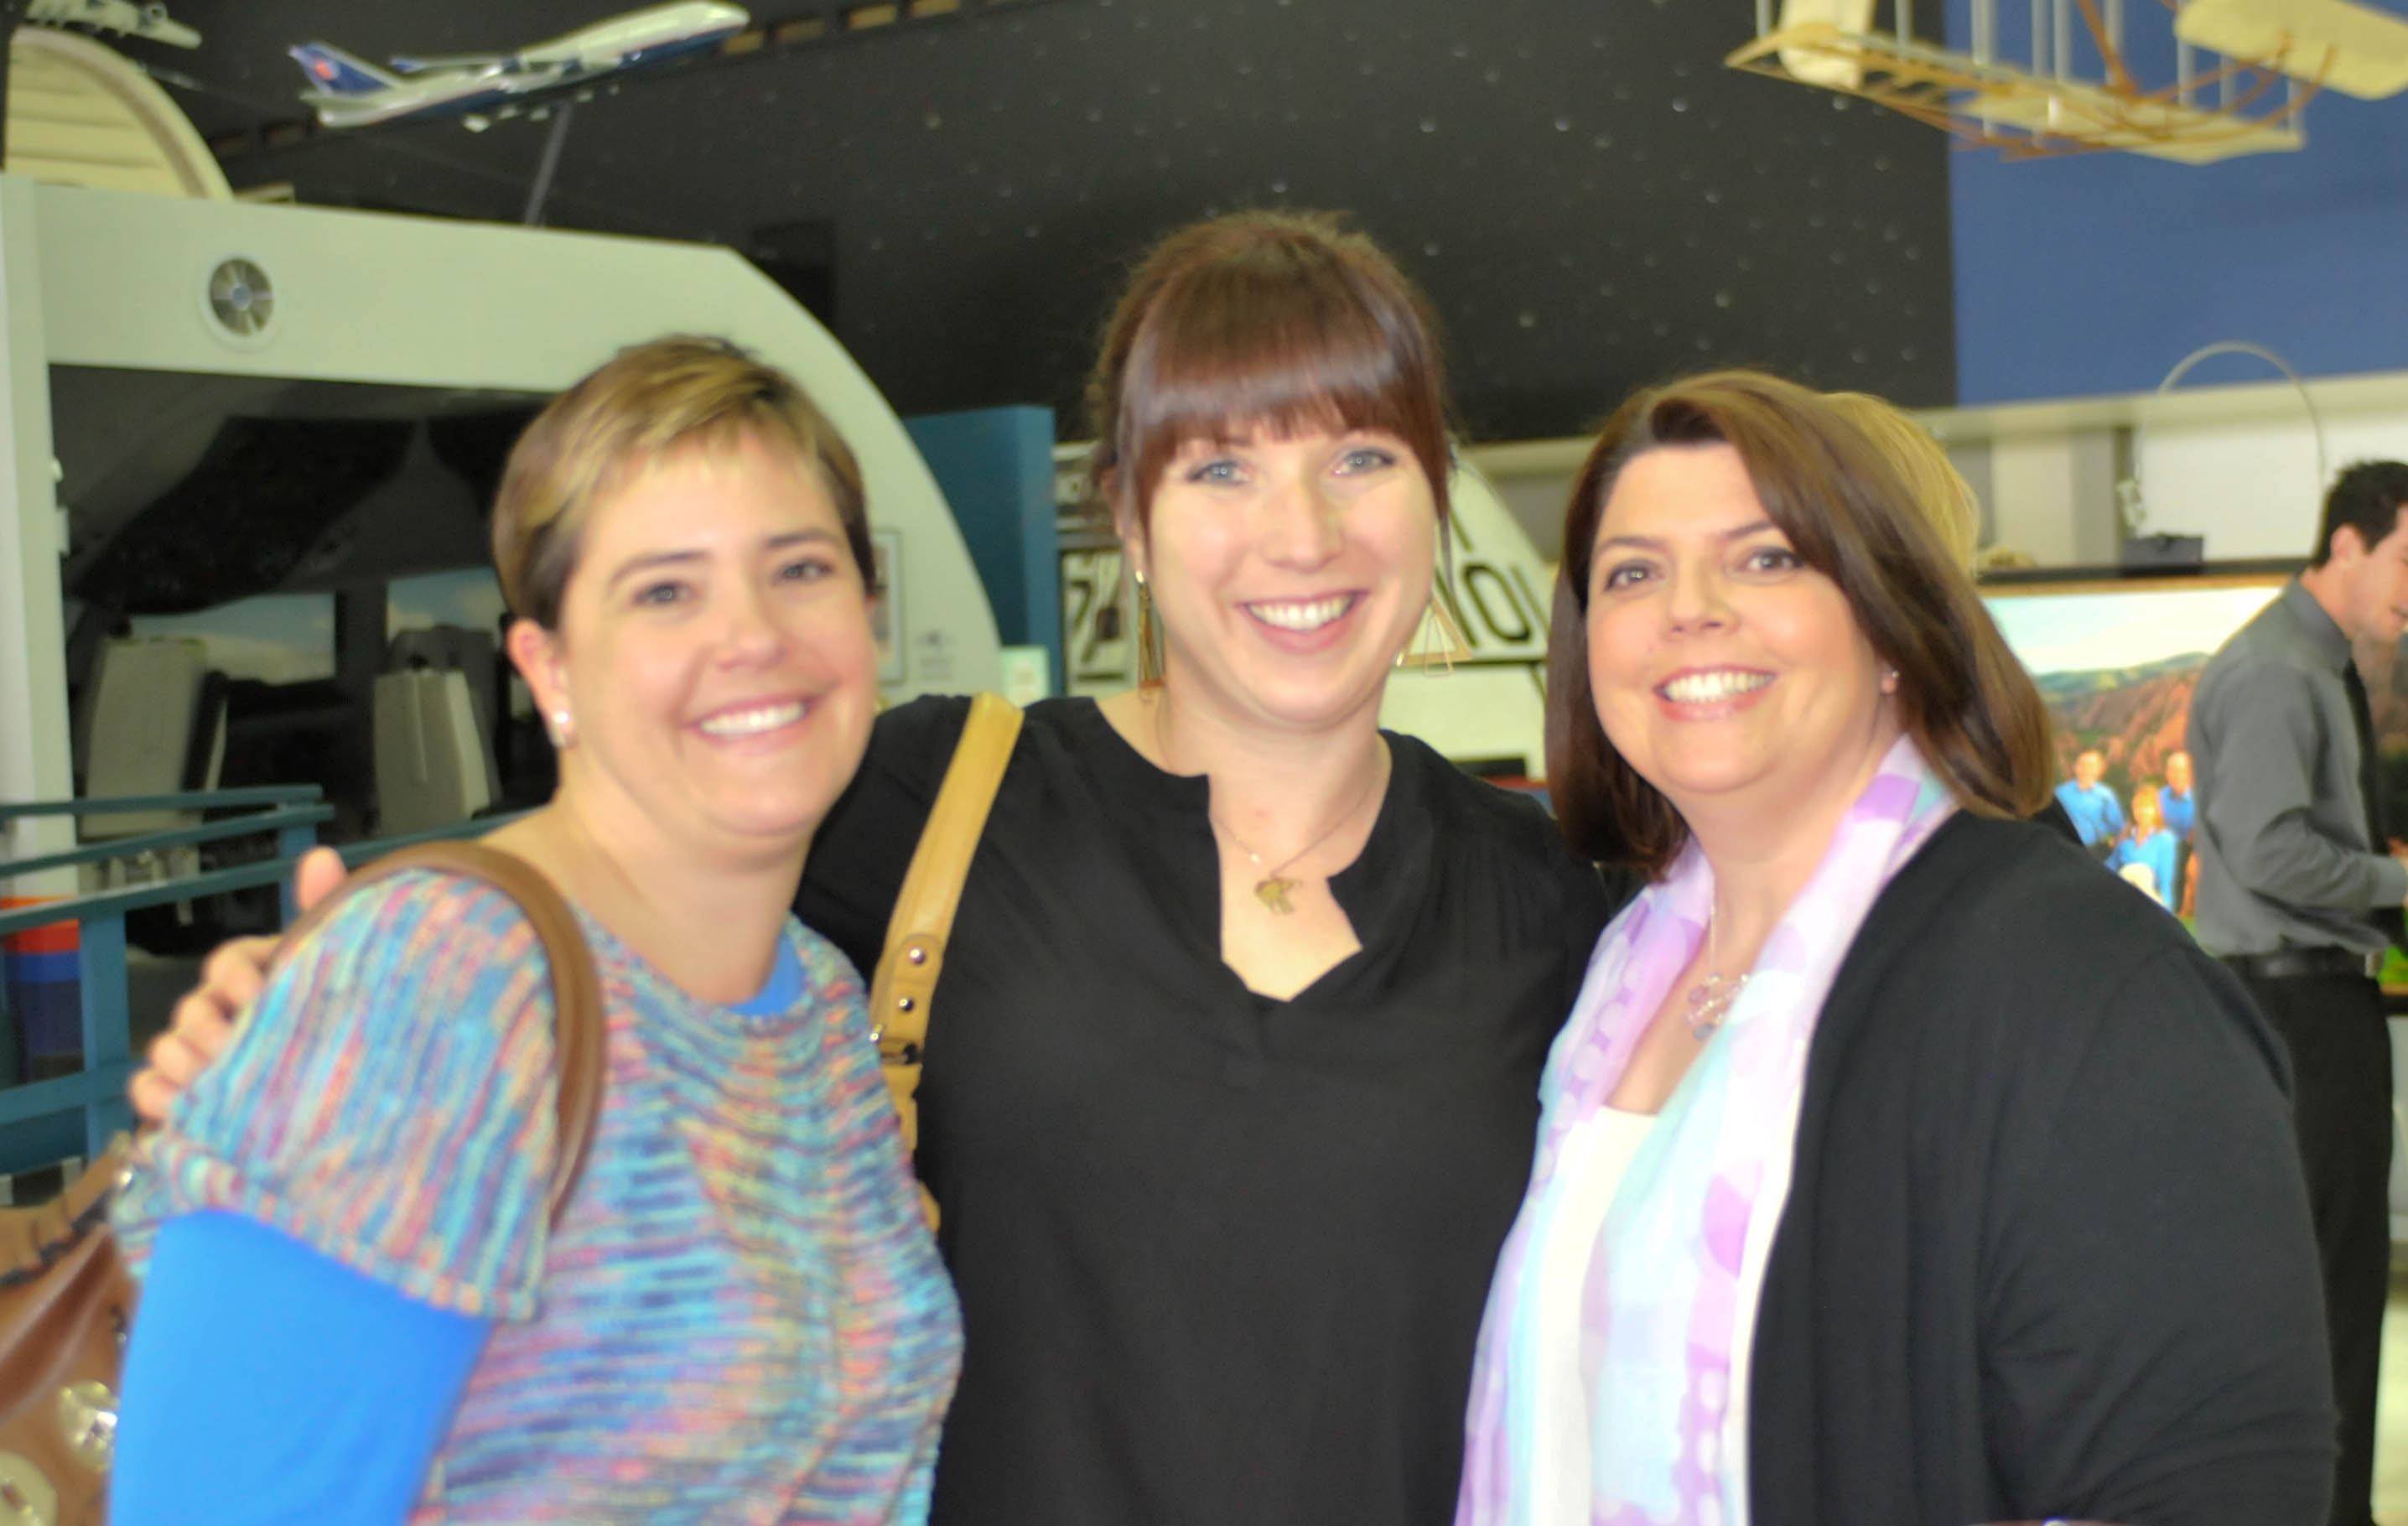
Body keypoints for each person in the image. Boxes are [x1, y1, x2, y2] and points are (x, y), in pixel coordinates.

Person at [135, 211, 1617, 1526]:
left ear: (1435, 493)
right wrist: (331, 994)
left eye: (1361, 458)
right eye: (1222, 465)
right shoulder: (930, 801)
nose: (1301, 534)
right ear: (1126, 516)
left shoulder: (1560, 903)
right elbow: (608, 884)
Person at [1456, 371, 2333, 1525]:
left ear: (1891, 629)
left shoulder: (2080, 985)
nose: (1690, 608)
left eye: (1766, 557)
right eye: (1632, 572)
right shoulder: (1615, 977)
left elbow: (2209, 1483)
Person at [112, 339, 963, 1523]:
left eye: (800, 568)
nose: (753, 635)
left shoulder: (812, 998)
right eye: (665, 590)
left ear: (869, 614)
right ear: (548, 667)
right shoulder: (443, 982)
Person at [2189, 457, 2408, 1526]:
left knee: (2326, 1288)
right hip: (2300, 1011)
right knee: (2327, 1291)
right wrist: (2399, 881)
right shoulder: (2280, 671)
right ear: (2346, 544)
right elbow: (2269, 850)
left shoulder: (2309, 662)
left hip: (2306, 1004)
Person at [2108, 783, 2181, 909]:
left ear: (2156, 810)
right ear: (2133, 810)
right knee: (2128, 871)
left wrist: (2166, 907)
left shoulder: (2165, 839)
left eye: (2147, 807)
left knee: (2140, 871)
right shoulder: (2125, 838)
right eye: (2138, 807)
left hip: (2148, 895)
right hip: (2123, 892)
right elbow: (2110, 867)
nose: (2142, 812)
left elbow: (2166, 879)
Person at [2053, 745, 2124, 858]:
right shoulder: (2060, 793)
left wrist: (2110, 840)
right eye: (2082, 765)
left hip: (2097, 850)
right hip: (2066, 848)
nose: (2086, 770)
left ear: (2100, 769)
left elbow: (2118, 826)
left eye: (2091, 766)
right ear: (2074, 766)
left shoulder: (2106, 796)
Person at [2162, 746, 2199, 913]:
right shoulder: (2160, 796)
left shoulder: (2201, 798)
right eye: (2172, 770)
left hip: (2193, 847)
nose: (2176, 775)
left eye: (2181, 771)